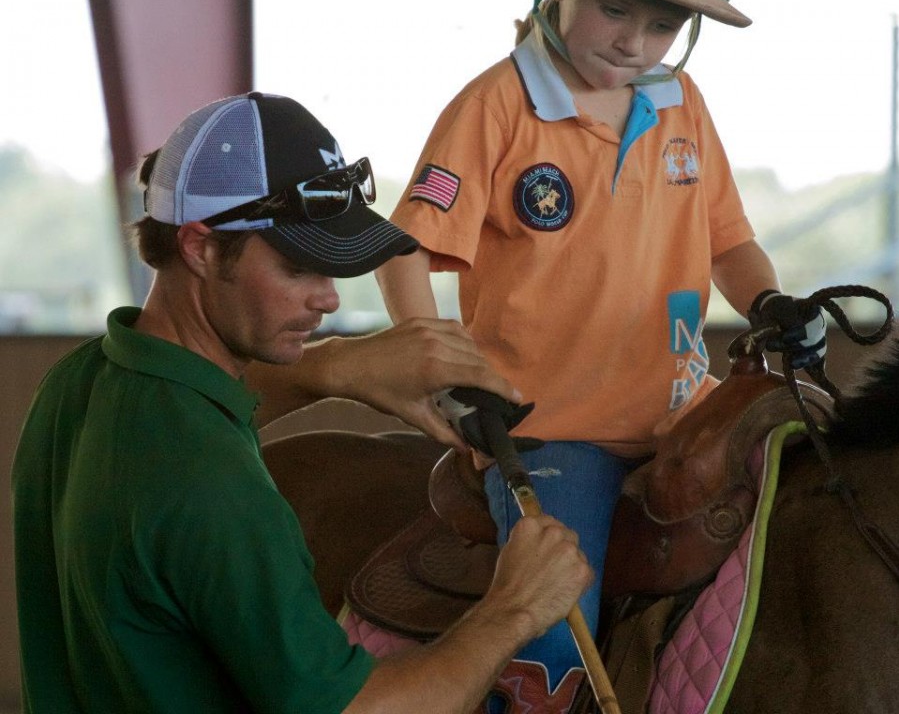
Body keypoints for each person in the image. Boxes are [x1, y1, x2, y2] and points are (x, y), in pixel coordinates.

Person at [11, 92, 594, 714]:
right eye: (299, 268)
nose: (328, 300)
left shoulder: (79, 384)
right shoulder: (214, 486)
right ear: (200, 247)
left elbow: (184, 421)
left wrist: (333, 368)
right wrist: (514, 609)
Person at [375, 0, 827, 696]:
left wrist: (767, 302)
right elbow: (404, 246)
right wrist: (436, 363)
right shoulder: (496, 102)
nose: (633, 45)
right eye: (615, 11)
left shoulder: (683, 102)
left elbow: (731, 242)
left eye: (662, 26)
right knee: (554, 628)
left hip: (686, 413)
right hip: (552, 429)